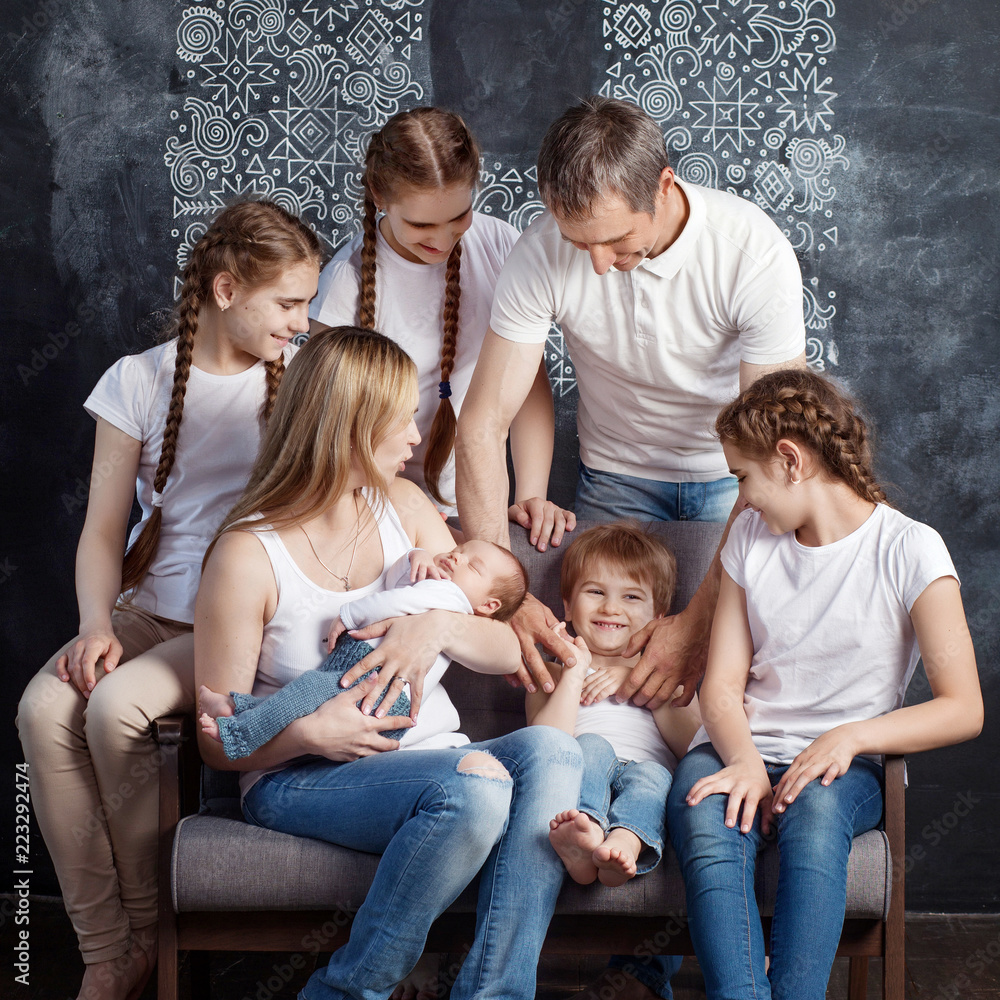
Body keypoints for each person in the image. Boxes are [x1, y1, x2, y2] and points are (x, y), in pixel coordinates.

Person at [194, 325, 583, 1000]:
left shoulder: (404, 506)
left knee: (555, 752)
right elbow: (223, 744)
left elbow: (502, 646)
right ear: (350, 427)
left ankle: (492, 993)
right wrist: (312, 734)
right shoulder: (246, 555)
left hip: (429, 751)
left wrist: (432, 628)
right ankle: (347, 991)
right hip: (300, 776)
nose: (416, 435)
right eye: (402, 419)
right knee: (477, 790)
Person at [16, 200, 322, 1000]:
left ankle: (151, 930)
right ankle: (105, 948)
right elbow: (101, 531)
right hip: (143, 605)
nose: (303, 319)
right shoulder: (139, 378)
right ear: (226, 289)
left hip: (228, 623)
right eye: (288, 303)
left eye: (308, 302)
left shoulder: (304, 379)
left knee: (115, 710)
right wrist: (93, 626)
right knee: (43, 710)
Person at [667, 369, 982, 1000]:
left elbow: (963, 708)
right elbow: (720, 689)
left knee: (815, 816)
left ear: (788, 460)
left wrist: (849, 737)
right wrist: (746, 762)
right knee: (705, 811)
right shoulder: (749, 542)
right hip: (741, 746)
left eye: (742, 478)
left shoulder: (912, 550)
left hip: (848, 766)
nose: (743, 498)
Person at [309, 105, 574, 550]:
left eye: (458, 217)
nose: (442, 239)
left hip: (477, 498)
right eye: (420, 224)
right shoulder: (343, 286)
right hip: (376, 505)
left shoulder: (502, 246)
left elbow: (527, 385)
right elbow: (329, 431)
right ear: (379, 194)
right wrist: (407, 511)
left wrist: (531, 494)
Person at [198, 538, 528, 757]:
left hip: (378, 693)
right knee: (304, 699)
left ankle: (239, 733)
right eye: (461, 548)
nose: (458, 555)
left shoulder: (451, 598)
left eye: (473, 566)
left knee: (309, 690)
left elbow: (396, 599)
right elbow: (398, 583)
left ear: (488, 605)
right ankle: (239, 706)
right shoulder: (440, 590)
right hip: (372, 687)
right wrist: (416, 558)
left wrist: (349, 614)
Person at [525, 524, 701, 888]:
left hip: (649, 773)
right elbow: (544, 744)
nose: (611, 607)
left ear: (658, 618)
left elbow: (694, 746)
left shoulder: (666, 674)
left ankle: (625, 841)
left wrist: (637, 678)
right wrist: (574, 674)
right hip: (576, 779)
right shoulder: (551, 672)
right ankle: (585, 829)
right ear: (568, 606)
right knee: (592, 746)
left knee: (654, 777)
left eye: (632, 597)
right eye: (595, 591)